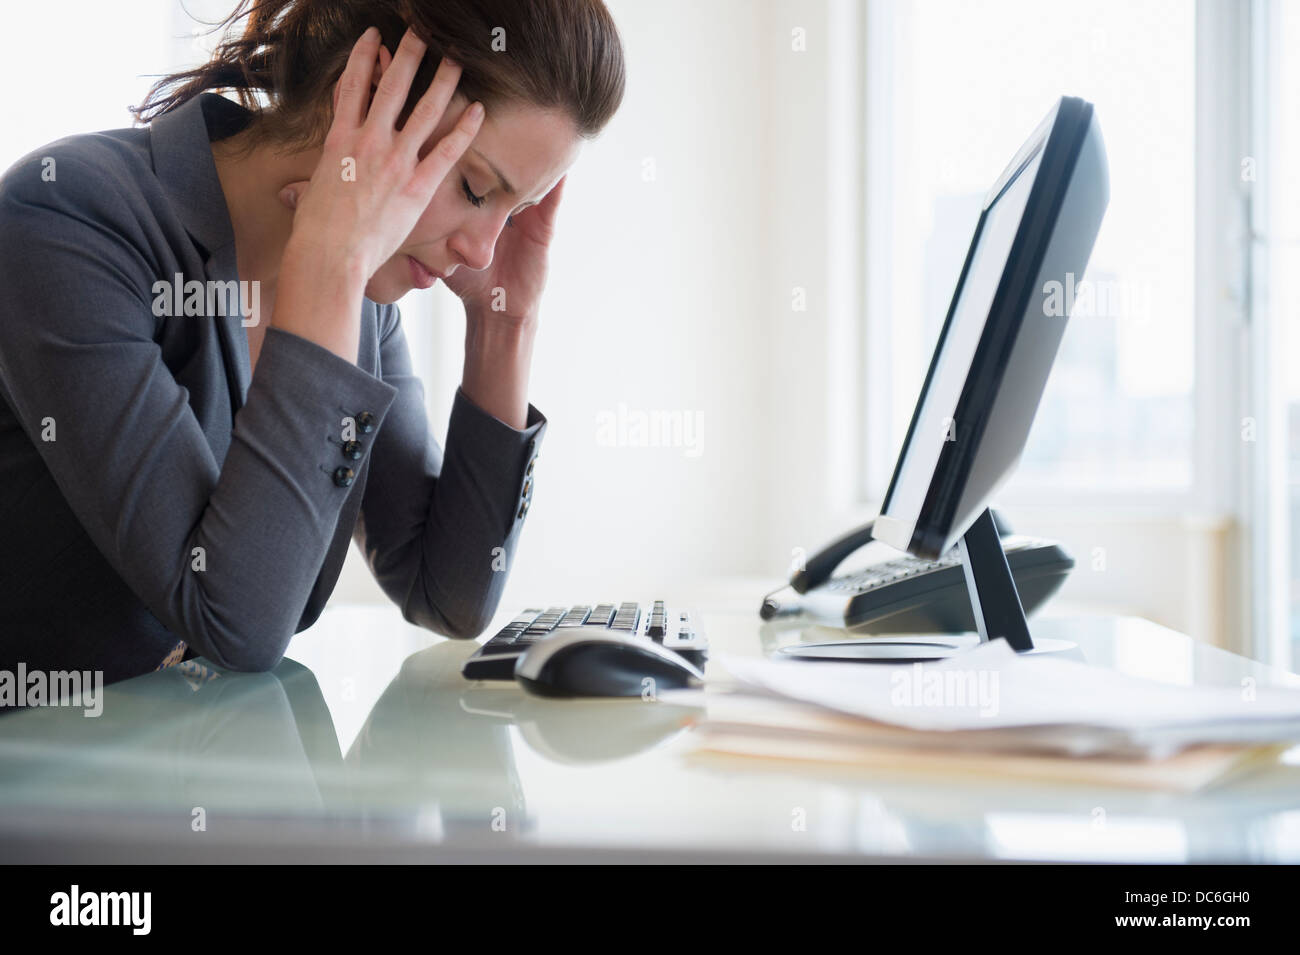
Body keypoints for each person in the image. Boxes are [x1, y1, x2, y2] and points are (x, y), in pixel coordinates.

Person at [0, 0, 625, 685]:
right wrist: (328, 264)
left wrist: (507, 319)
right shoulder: (66, 221)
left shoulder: (361, 294)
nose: (481, 252)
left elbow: (447, 592)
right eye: (476, 188)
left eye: (516, 212)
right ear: (365, 98)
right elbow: (232, 620)